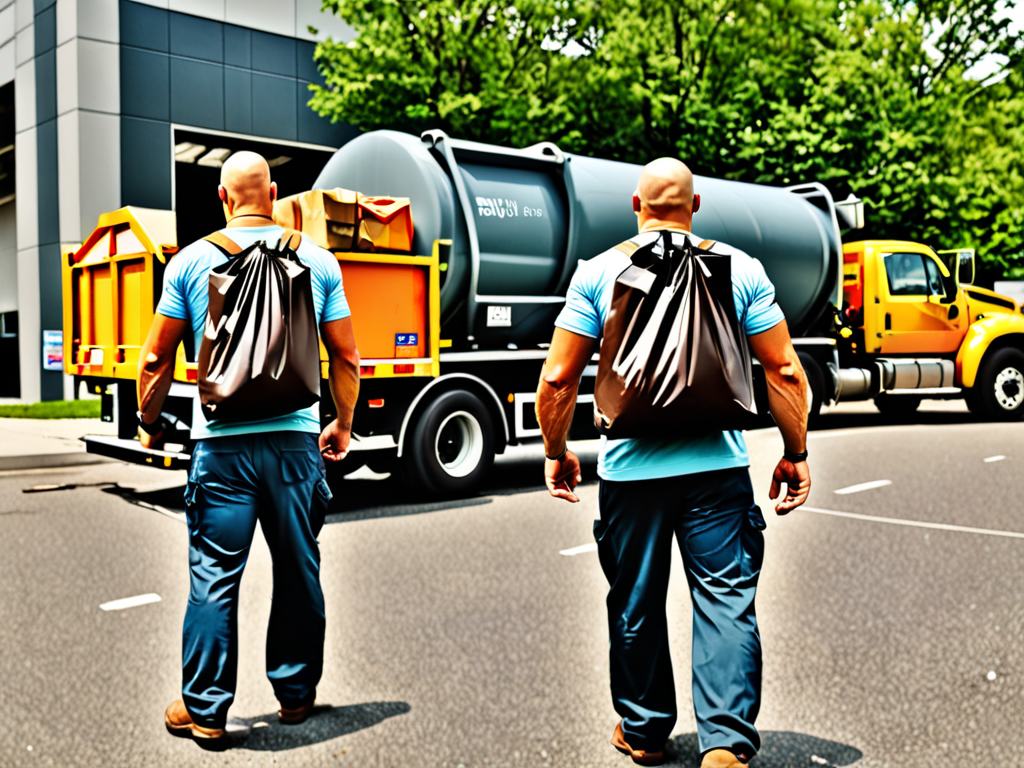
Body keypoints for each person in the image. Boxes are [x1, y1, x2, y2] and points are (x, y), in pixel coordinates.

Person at [535, 158, 811, 768]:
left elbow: (557, 379)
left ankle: (643, 731)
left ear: (636, 206)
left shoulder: (599, 272)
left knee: (635, 601)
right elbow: (785, 370)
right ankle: (726, 744)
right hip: (718, 472)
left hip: (630, 477)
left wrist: (557, 452)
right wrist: (795, 453)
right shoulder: (742, 268)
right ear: (696, 206)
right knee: (726, 600)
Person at [136, 151, 360, 741]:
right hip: (293, 445)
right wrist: (341, 422)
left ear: (221, 197)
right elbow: (346, 355)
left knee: (213, 575)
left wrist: (147, 419)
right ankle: (293, 695)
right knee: (297, 568)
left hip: (222, 450)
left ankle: (206, 711)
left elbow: (157, 357)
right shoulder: (318, 259)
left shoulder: (187, 262)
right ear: (275, 192)